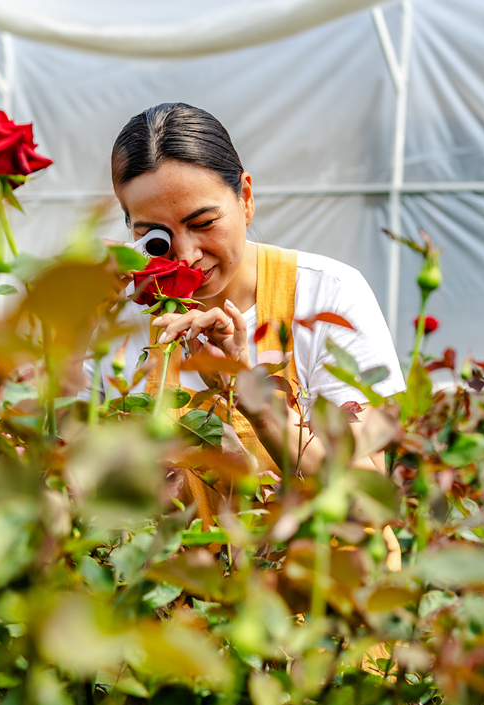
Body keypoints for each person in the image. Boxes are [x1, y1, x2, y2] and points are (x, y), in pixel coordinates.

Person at [96, 102, 404, 522]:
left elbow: (368, 505)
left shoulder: (326, 295)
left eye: (203, 222)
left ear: (245, 198)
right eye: (155, 235)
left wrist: (256, 403)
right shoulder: (116, 318)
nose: (187, 256)